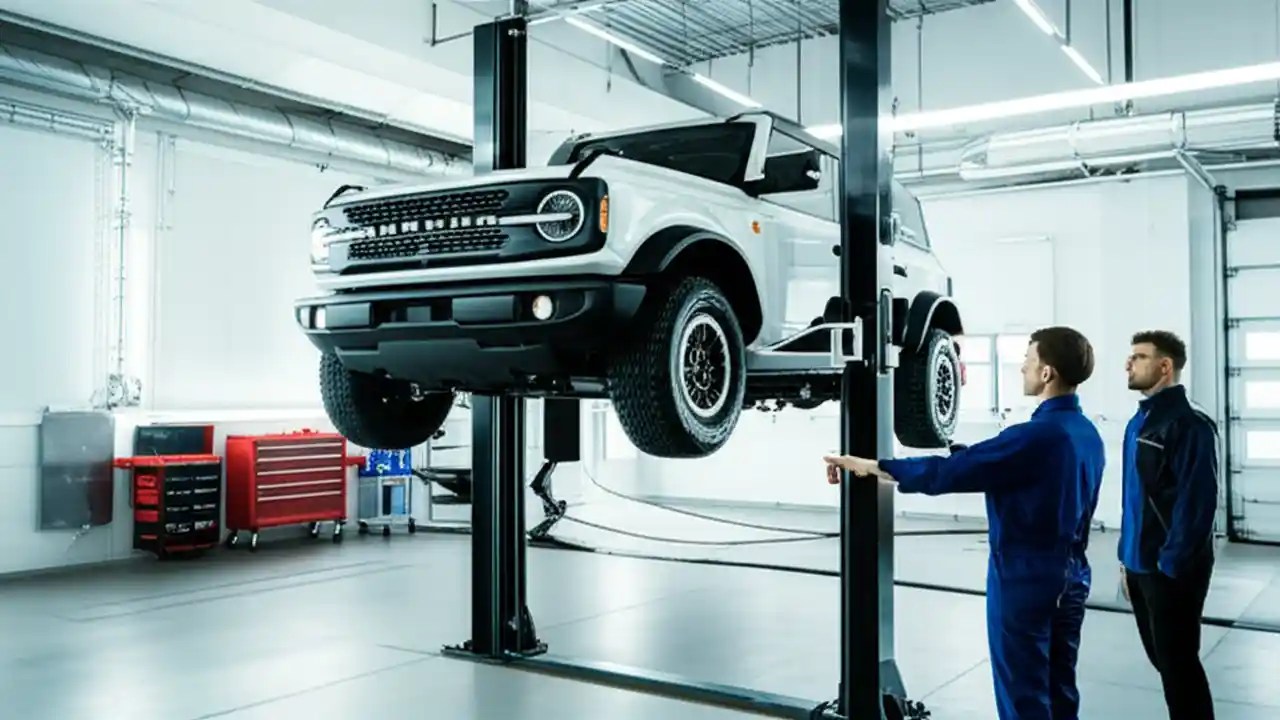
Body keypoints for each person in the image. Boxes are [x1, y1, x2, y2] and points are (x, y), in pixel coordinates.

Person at [824, 327, 1105, 720]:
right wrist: (958, 453)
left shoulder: (1035, 436)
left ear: (1046, 373)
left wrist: (871, 466)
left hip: (1024, 582)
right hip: (1071, 578)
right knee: (1060, 690)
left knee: (1022, 694)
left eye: (1029, 358)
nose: (1022, 365)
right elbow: (995, 463)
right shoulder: (1087, 433)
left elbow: (946, 475)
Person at [1120, 330, 1218, 720]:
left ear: (1165, 367)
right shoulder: (1139, 421)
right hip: (1140, 565)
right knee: (1164, 662)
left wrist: (1170, 567)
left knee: (1179, 667)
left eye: (1139, 357)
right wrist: (1125, 561)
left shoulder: (1189, 425)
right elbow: (1135, 499)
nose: (1129, 364)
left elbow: (1197, 505)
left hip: (1169, 570)